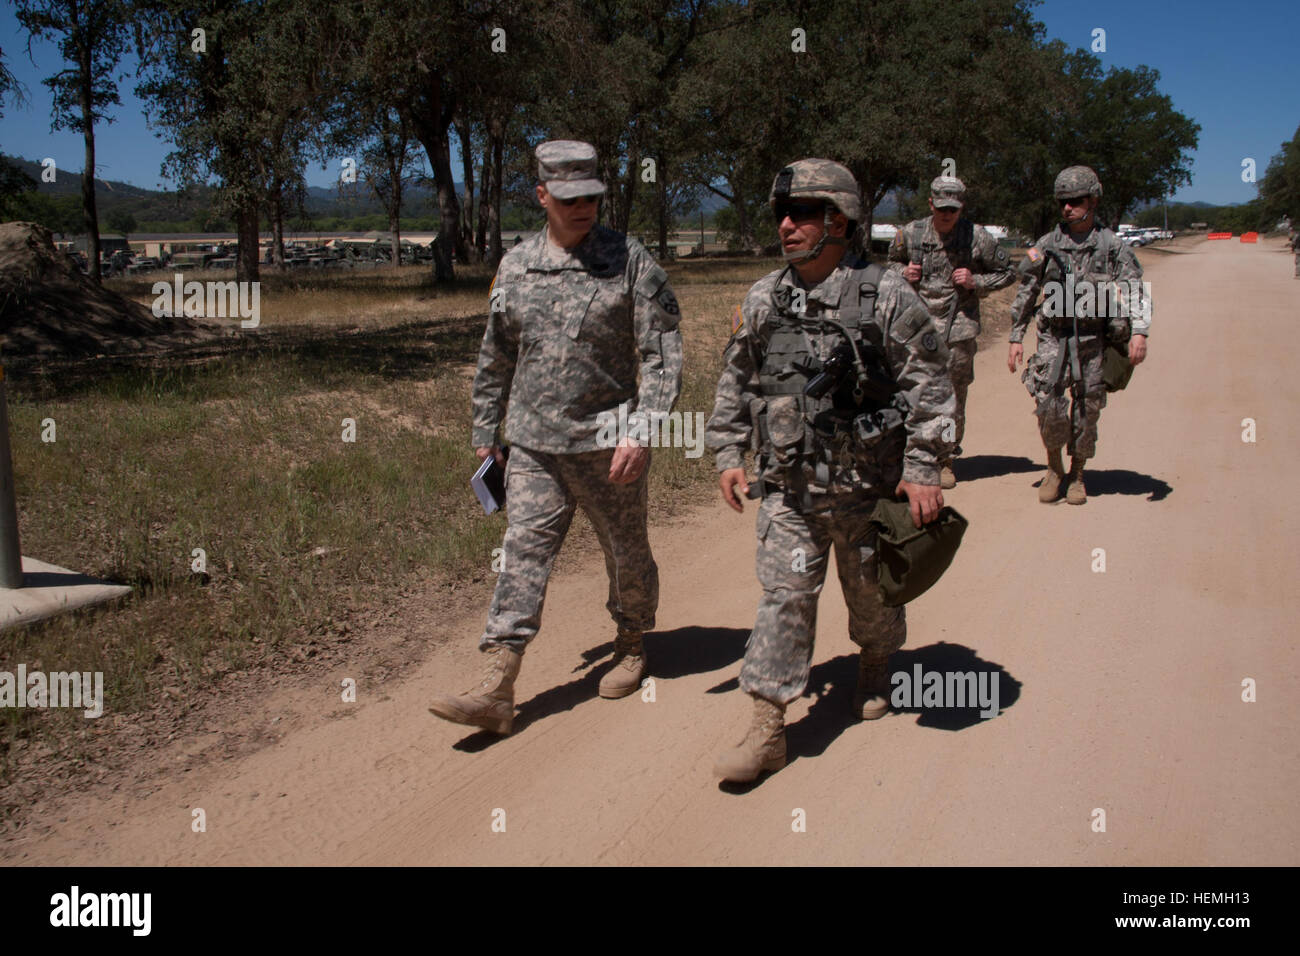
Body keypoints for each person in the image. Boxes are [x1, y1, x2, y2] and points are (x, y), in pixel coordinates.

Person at [704, 159, 955, 783]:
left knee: (870, 601)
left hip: (868, 491)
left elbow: (931, 382)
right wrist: (728, 453)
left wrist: (924, 466)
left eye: (804, 213)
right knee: (783, 598)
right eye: (782, 214)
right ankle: (766, 727)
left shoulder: (887, 292)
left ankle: (875, 661)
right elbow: (736, 380)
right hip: (790, 489)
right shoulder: (765, 296)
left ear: (839, 221)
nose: (787, 225)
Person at [427, 140, 684, 736]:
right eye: (569, 198)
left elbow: (663, 355)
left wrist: (642, 431)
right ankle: (499, 681)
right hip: (534, 446)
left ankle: (631, 641)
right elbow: (496, 355)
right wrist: (484, 433)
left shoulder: (630, 261)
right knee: (523, 552)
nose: (584, 207)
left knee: (626, 554)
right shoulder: (516, 266)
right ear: (542, 195)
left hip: (608, 445)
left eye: (592, 196)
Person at [1007, 165, 1149, 505]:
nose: (1068, 208)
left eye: (1076, 201)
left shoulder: (1112, 245)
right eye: (1062, 202)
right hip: (1054, 337)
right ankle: (1054, 468)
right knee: (1048, 404)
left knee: (1088, 410)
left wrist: (1140, 332)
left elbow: (1134, 290)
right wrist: (1015, 337)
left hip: (1093, 340)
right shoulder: (1045, 245)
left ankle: (1079, 474)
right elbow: (1026, 290)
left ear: (1093, 201)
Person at [888, 176, 1015, 487]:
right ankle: (915, 456)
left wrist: (977, 282)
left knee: (953, 397)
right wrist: (903, 273)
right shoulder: (911, 234)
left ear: (962, 207)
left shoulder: (977, 237)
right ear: (931, 204)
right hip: (916, 327)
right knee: (913, 392)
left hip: (958, 327)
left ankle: (945, 458)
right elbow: (887, 266)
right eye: (942, 207)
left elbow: (1009, 271)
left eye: (953, 209)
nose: (947, 214)